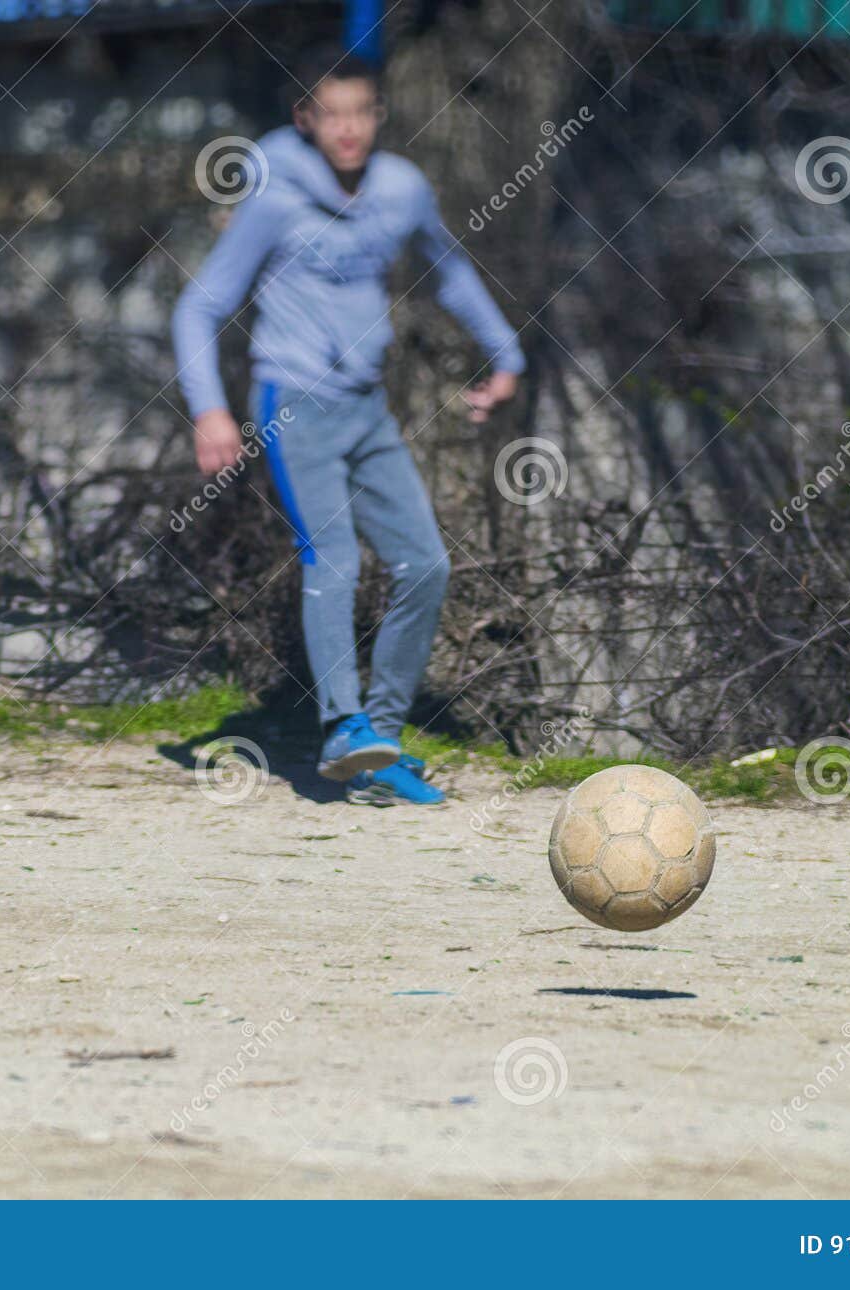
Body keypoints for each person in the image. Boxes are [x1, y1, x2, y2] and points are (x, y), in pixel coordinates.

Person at [171, 50, 525, 805]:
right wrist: (209, 409)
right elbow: (199, 306)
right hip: (292, 404)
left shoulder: (400, 189)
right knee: (333, 559)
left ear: (379, 115)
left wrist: (505, 350)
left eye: (361, 112)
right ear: (305, 120)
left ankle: (377, 749)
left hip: (367, 410)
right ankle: (343, 727)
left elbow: (451, 268)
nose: (348, 129)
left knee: (425, 564)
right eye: (331, 115)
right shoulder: (271, 195)